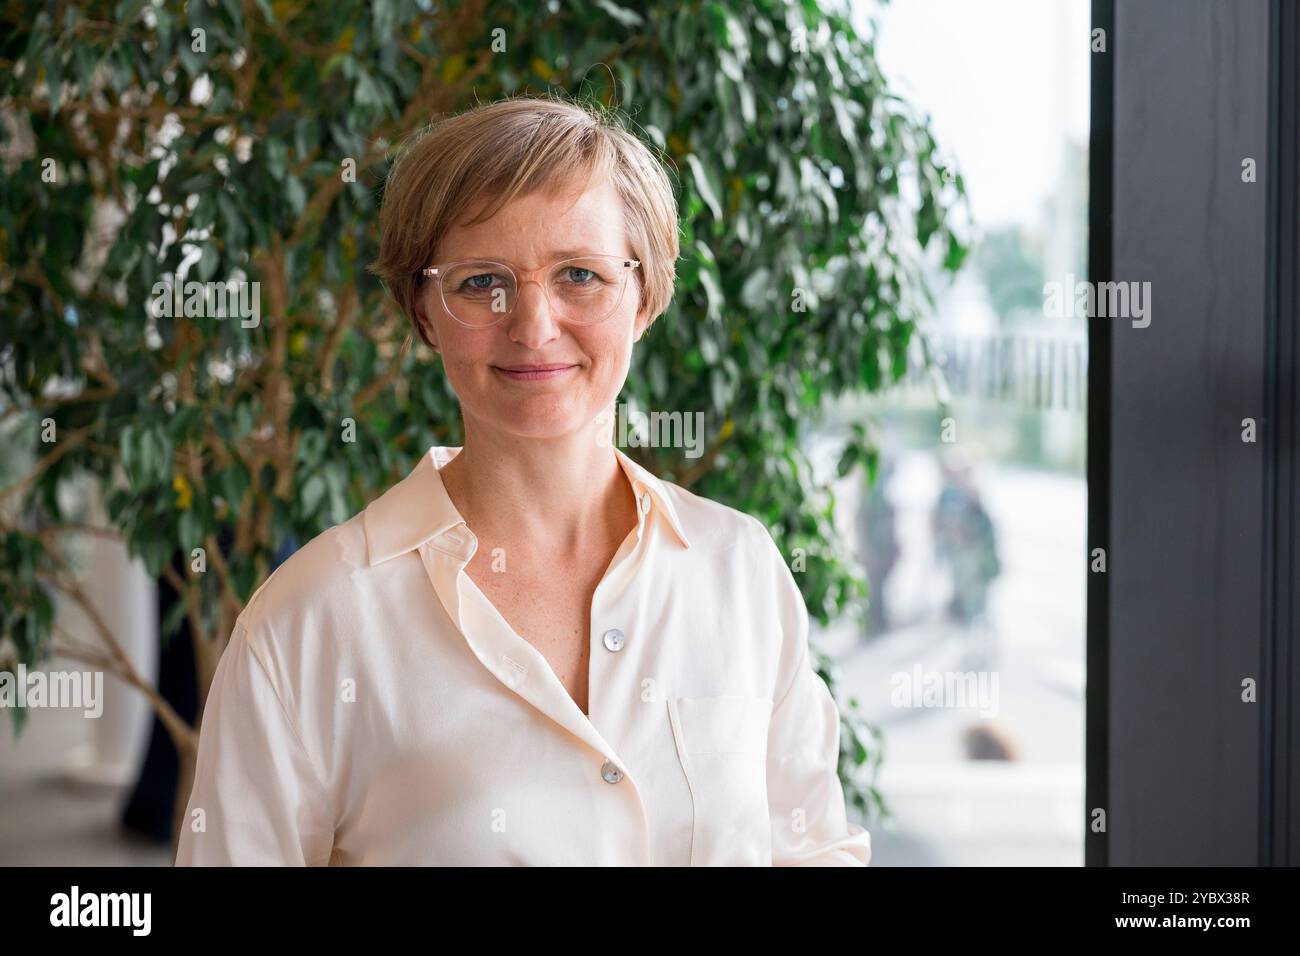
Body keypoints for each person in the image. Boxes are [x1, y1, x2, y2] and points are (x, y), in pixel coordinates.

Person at [174, 95, 871, 866]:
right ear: (424, 312)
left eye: (580, 274)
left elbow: (816, 850)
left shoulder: (740, 570)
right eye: (481, 283)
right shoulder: (308, 623)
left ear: (645, 296)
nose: (533, 326)